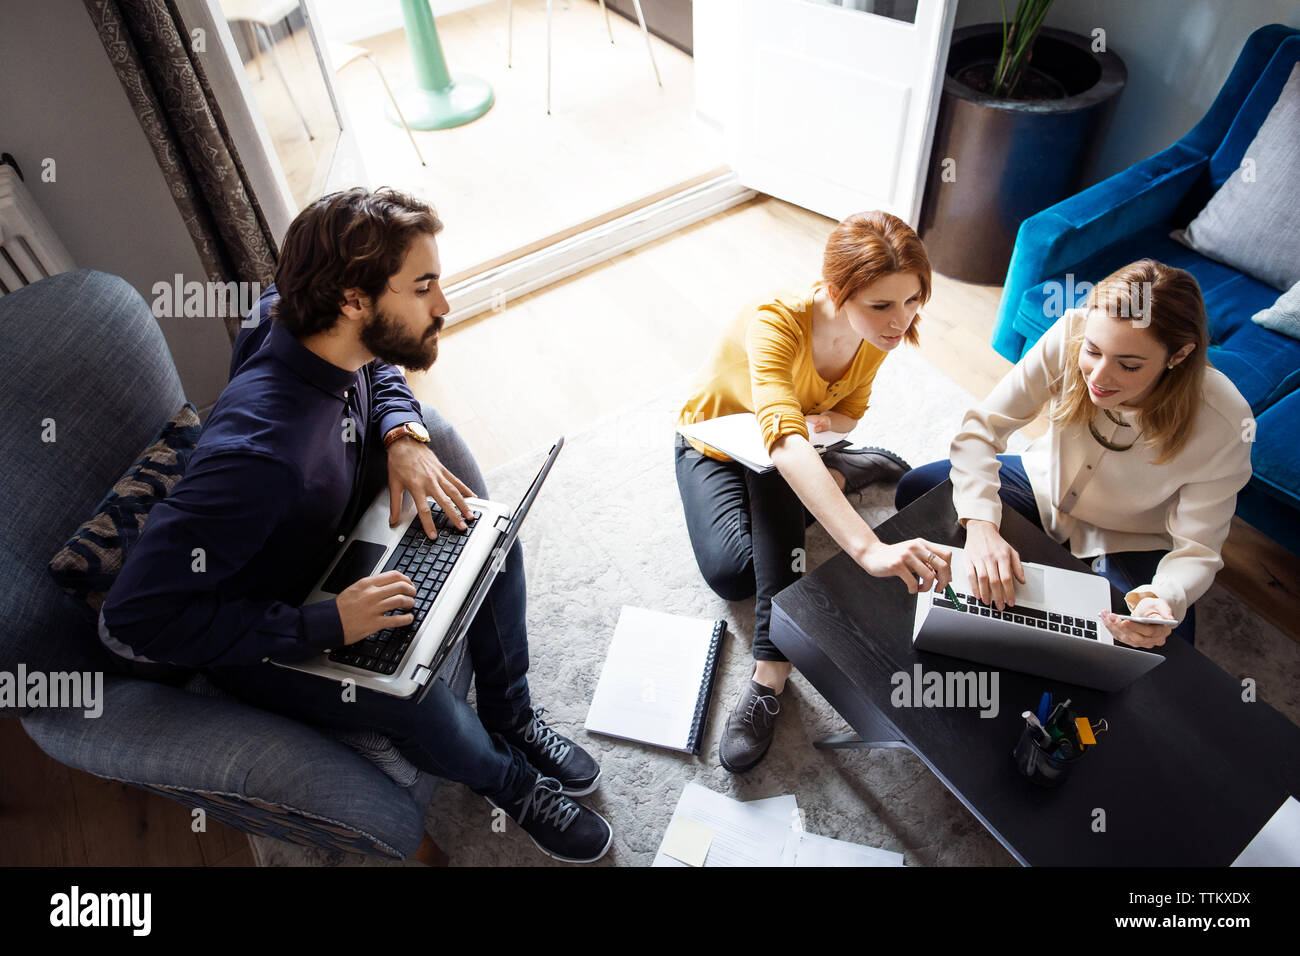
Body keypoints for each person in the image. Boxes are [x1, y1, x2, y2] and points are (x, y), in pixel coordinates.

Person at [100, 187, 613, 863]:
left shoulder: (299, 317)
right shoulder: (257, 457)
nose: (444, 306)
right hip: (268, 631)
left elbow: (379, 359)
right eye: (423, 286)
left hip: (332, 540)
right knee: (411, 693)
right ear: (351, 299)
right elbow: (137, 616)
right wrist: (326, 625)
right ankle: (512, 785)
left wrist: (402, 431)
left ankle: (512, 718)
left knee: (493, 543)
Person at [675, 210, 954, 774]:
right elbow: (780, 436)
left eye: (912, 300)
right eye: (882, 305)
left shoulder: (877, 335)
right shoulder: (775, 321)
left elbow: (848, 413)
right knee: (733, 573)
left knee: (780, 474)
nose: (900, 322)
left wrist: (827, 431)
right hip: (714, 443)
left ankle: (768, 673)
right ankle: (842, 476)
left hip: (786, 456)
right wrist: (866, 548)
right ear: (835, 289)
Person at [895, 259, 1253, 648]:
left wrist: (1160, 599)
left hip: (1132, 537)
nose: (1098, 377)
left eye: (1129, 366)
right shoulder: (1072, 330)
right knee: (919, 492)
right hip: (1043, 486)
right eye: (1093, 351)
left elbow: (1198, 547)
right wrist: (982, 525)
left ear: (1179, 356)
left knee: (1163, 645)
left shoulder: (1225, 421)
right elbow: (983, 426)